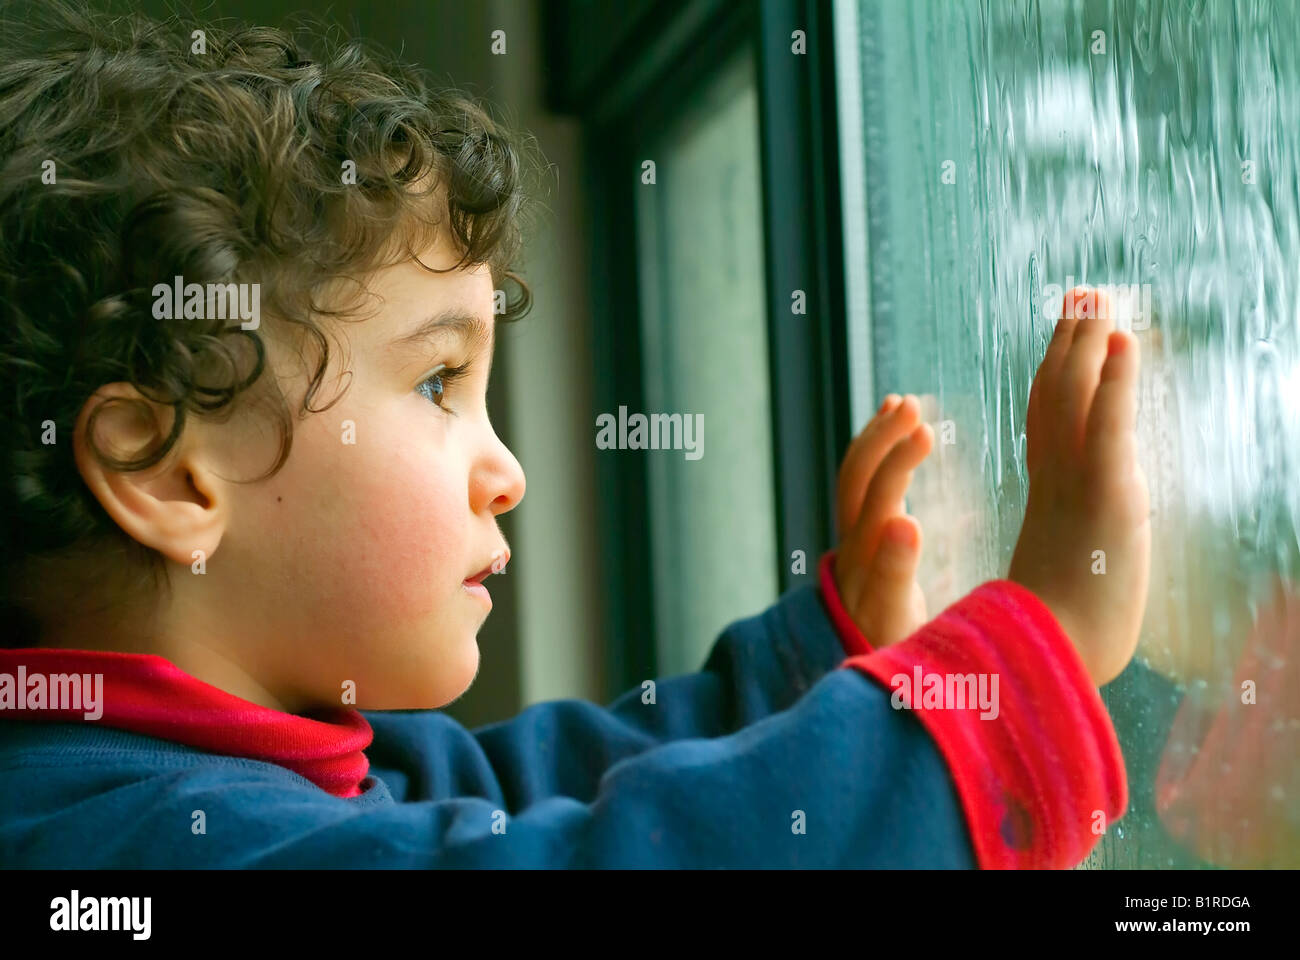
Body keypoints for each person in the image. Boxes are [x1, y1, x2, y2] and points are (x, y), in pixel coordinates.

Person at [0, 2, 1148, 868]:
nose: (507, 473)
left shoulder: (275, 759)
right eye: (439, 382)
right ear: (167, 469)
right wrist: (1021, 665)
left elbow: (543, 784)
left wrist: (823, 652)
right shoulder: (136, 844)